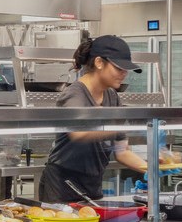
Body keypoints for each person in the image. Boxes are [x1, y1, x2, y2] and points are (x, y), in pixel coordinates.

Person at [37, 34, 151, 204]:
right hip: (62, 184)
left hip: (93, 184)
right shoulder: (75, 93)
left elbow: (122, 152)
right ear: (99, 62)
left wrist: (151, 169)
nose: (124, 74)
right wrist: (119, 126)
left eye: (126, 70)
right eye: (119, 68)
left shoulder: (112, 96)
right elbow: (79, 133)